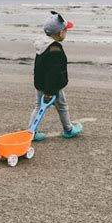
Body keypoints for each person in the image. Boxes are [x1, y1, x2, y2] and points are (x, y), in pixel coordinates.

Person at [28, 11, 83, 141]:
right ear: (60, 33)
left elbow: (40, 67)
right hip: (53, 87)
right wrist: (50, 92)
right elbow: (53, 73)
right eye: (65, 30)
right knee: (62, 106)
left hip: (41, 83)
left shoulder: (42, 44)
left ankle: (31, 132)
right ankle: (68, 129)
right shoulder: (55, 50)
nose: (66, 33)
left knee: (38, 106)